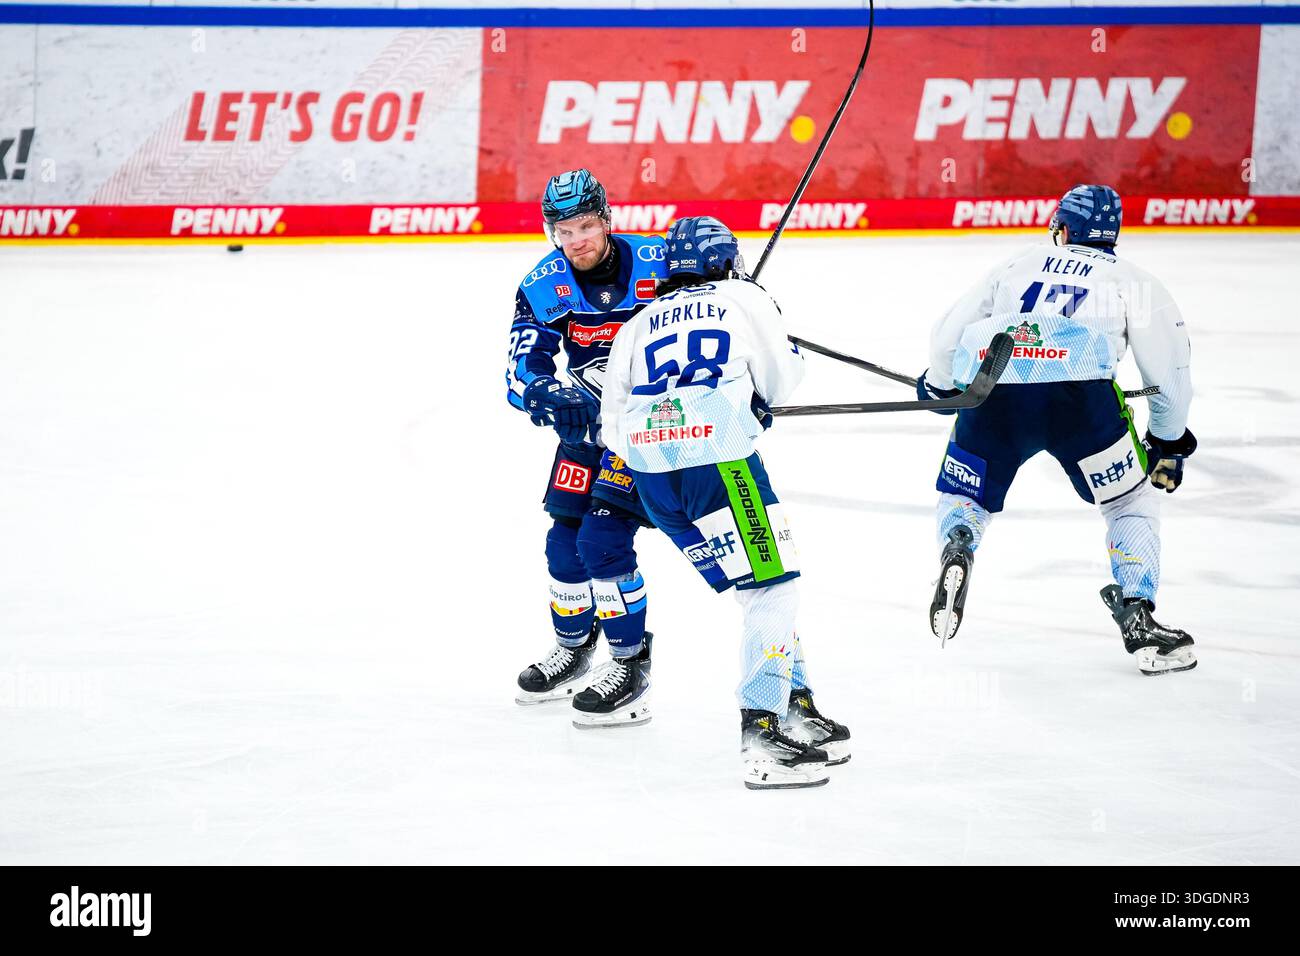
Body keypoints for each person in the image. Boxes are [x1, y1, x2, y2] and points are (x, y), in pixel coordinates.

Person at [601, 216, 850, 789]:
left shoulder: (636, 325)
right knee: (772, 588)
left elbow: (611, 428)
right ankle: (763, 731)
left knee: (761, 587)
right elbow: (784, 380)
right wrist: (753, 396)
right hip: (720, 466)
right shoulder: (744, 297)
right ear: (726, 260)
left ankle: (795, 706)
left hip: (654, 481)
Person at [917, 184, 1197, 676]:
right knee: (1128, 501)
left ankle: (960, 542)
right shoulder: (1133, 280)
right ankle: (1137, 610)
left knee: (969, 496)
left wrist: (940, 389)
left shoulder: (1019, 263)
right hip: (1081, 404)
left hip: (997, 392)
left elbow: (948, 335)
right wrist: (1167, 441)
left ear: (1062, 228)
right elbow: (1168, 375)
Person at [506, 169, 665, 726]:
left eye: (585, 225)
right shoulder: (542, 284)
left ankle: (630, 666)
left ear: (607, 219)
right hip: (588, 434)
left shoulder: (659, 261)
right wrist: (546, 392)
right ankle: (575, 649)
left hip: (653, 433)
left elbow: (725, 310)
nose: (576, 240)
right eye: (562, 229)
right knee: (563, 545)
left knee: (602, 541)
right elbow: (520, 370)